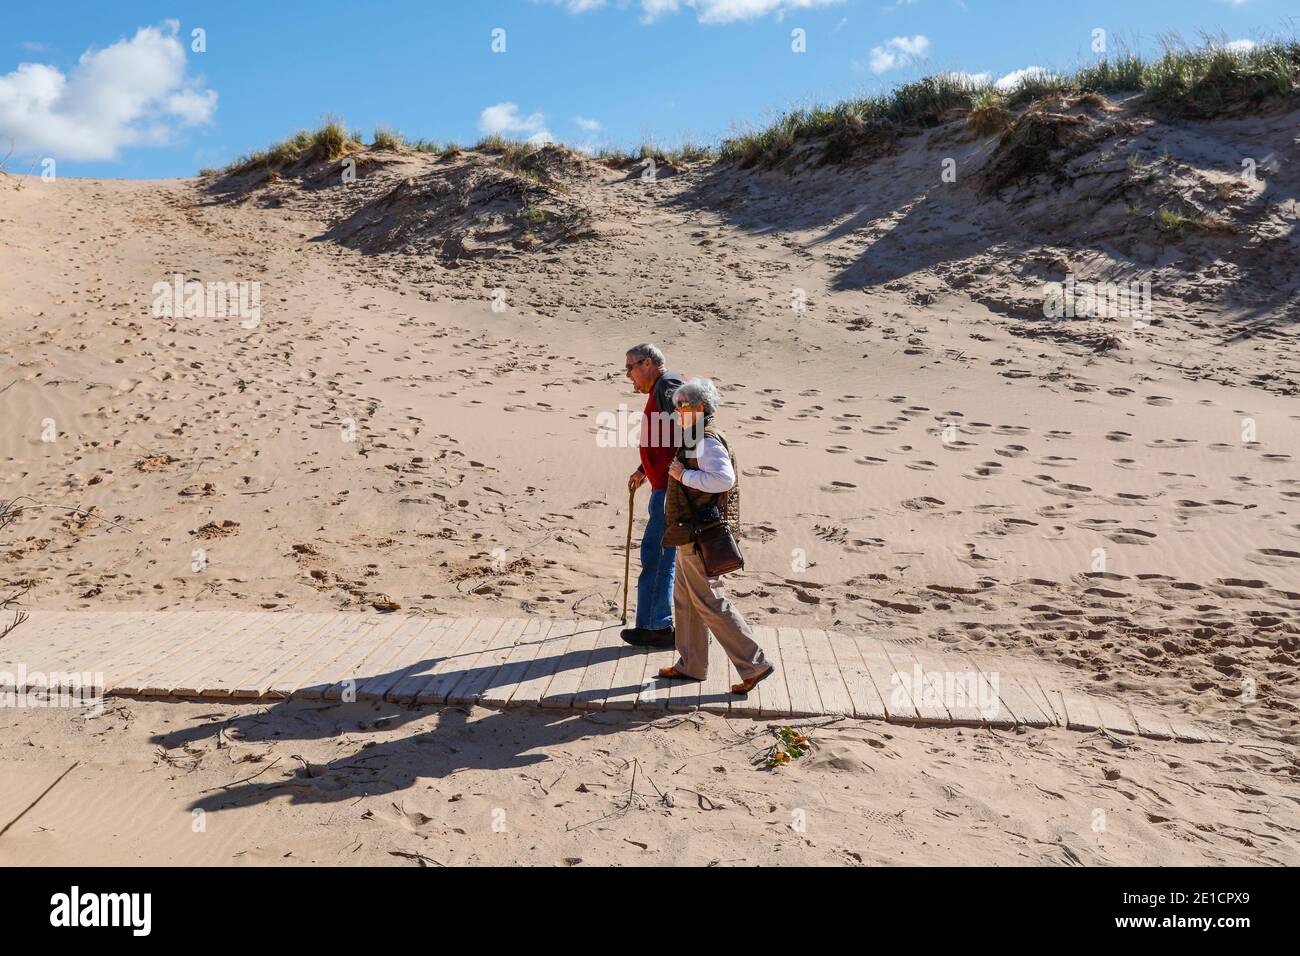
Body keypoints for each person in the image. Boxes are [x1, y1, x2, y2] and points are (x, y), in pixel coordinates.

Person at [656, 378, 775, 696]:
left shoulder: (704, 441)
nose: (677, 412)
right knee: (685, 600)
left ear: (697, 408)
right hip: (688, 532)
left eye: (681, 406)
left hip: (698, 534)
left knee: (710, 601)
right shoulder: (695, 437)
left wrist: (684, 475)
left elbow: (723, 479)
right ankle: (691, 664)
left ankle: (754, 664)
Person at [621, 343, 684, 648]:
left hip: (671, 489)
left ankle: (658, 626)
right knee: (657, 554)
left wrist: (679, 472)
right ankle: (653, 624)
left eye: (629, 368)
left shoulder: (668, 384)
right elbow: (668, 437)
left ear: (647, 363)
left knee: (657, 555)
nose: (629, 376)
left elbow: (691, 427)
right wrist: (643, 469)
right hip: (665, 484)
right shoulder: (661, 388)